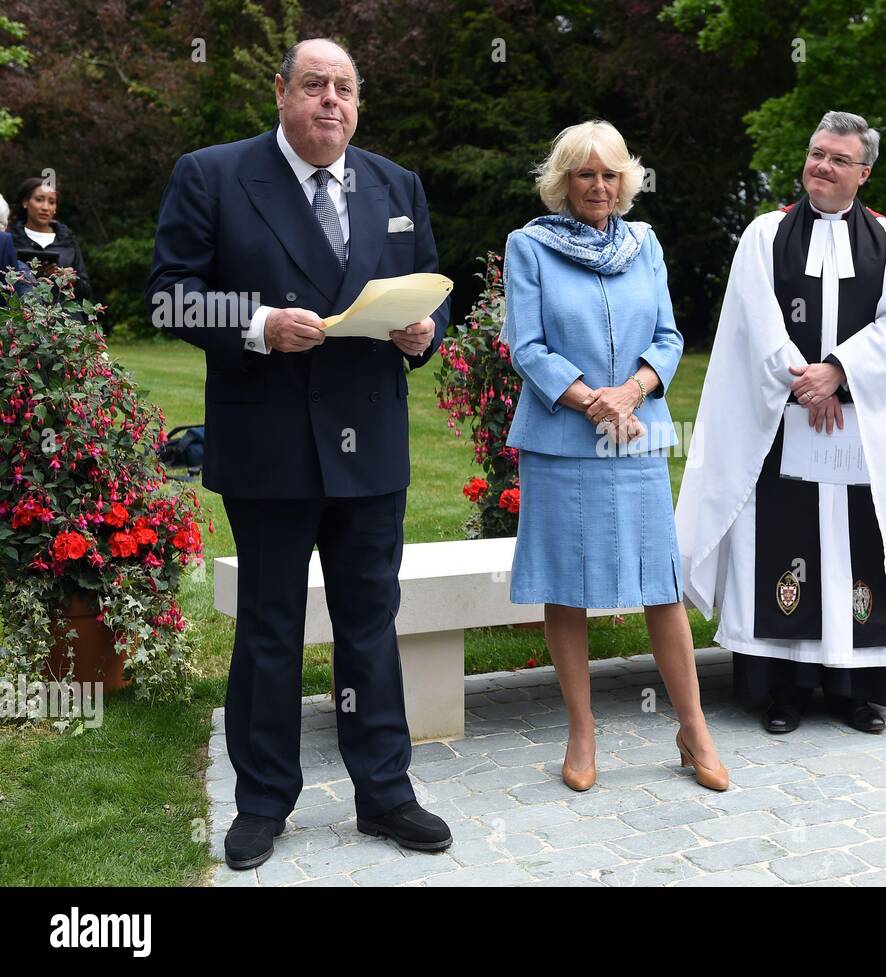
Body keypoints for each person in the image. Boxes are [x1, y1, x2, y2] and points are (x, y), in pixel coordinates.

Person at [146, 38, 453, 870]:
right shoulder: (212, 174)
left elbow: (431, 288)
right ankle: (262, 800)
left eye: (344, 88)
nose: (330, 101)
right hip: (269, 447)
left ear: (358, 104)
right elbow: (171, 295)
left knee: (369, 625)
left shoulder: (397, 185)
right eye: (313, 85)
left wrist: (425, 333)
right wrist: (258, 325)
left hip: (370, 446)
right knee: (271, 629)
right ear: (281, 94)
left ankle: (386, 792)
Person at [675, 111, 886, 736]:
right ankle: (784, 690)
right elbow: (755, 318)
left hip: (859, 431)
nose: (822, 167)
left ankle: (856, 690)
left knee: (859, 545)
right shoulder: (764, 234)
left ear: (863, 173)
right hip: (781, 424)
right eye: (815, 154)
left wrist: (837, 370)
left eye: (837, 159)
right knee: (784, 541)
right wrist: (802, 382)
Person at [505, 120, 727, 792]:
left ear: (625, 180)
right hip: (561, 438)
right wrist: (590, 400)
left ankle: (693, 726)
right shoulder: (529, 247)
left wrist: (630, 391)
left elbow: (667, 335)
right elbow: (528, 345)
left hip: (637, 433)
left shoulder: (645, 243)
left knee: (660, 583)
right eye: (584, 174)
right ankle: (581, 730)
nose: (598, 186)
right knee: (564, 585)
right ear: (563, 182)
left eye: (609, 174)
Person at [8, 177, 93, 301]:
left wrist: (73, 280)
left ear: (56, 208)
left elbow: (87, 291)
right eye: (39, 200)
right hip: (23, 316)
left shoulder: (67, 239)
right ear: (25, 202)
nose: (45, 207)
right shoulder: (10, 238)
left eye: (52, 202)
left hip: (66, 317)